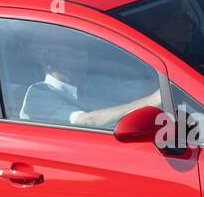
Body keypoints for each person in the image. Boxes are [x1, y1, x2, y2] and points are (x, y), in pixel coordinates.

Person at [21, 37, 161, 129]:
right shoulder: (38, 95)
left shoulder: (93, 83)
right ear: (49, 58)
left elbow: (143, 88)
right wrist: (151, 101)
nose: (82, 53)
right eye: (73, 49)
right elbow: (87, 121)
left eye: (84, 48)